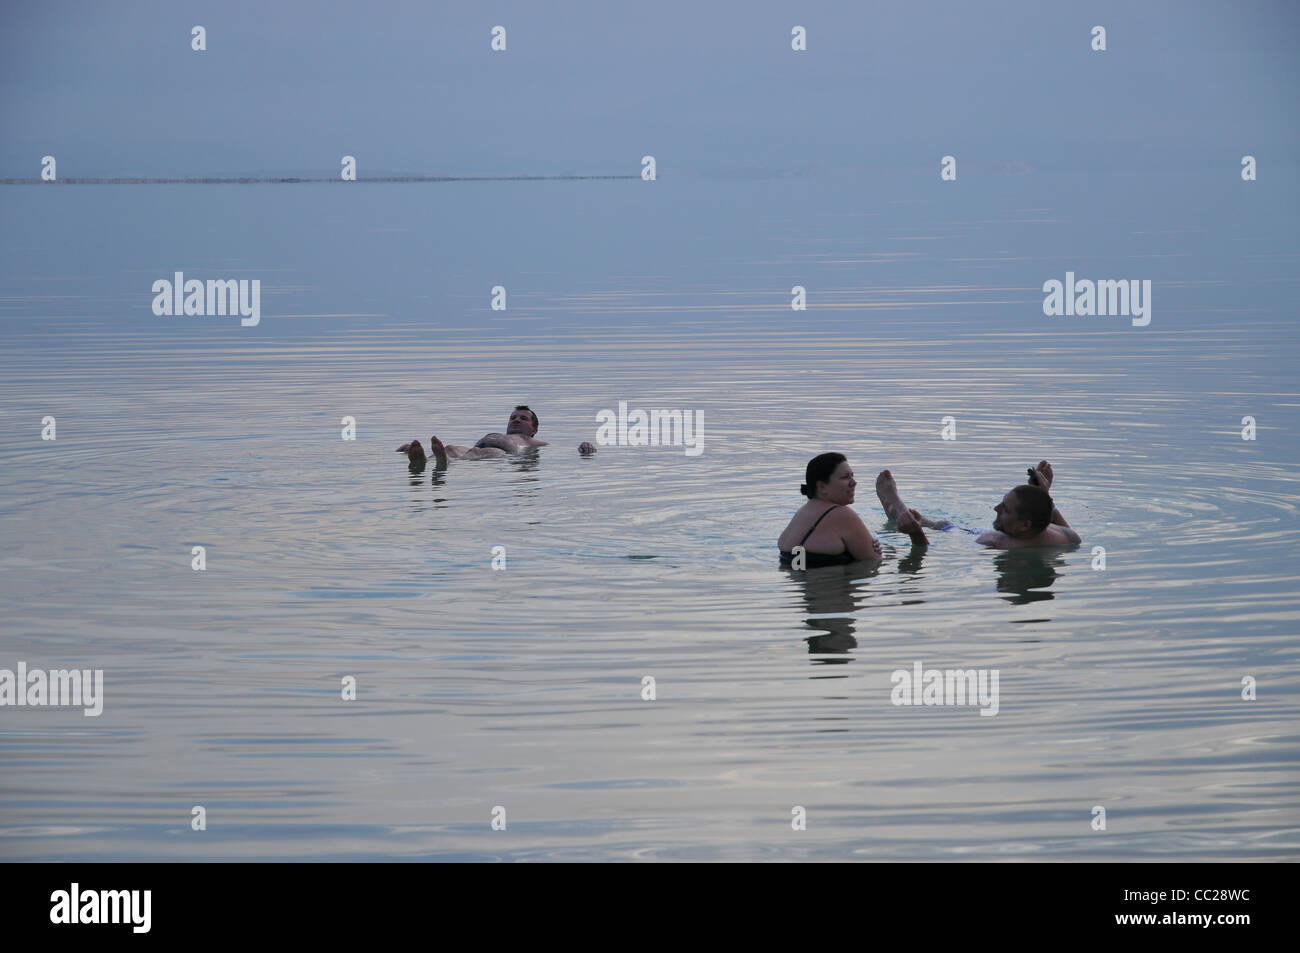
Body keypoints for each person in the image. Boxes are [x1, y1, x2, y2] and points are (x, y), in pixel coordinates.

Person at [874, 461, 1081, 550]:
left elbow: (926, 553)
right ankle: (906, 516)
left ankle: (900, 512)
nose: (996, 508)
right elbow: (1066, 530)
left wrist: (915, 534)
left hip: (972, 538)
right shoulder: (1067, 538)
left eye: (1005, 509)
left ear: (1025, 526)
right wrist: (1043, 496)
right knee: (946, 524)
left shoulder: (997, 543)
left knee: (948, 526)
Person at [778, 453, 884, 568]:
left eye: (852, 476)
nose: (854, 483)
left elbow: (799, 565)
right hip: (831, 583)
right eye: (845, 477)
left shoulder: (802, 513)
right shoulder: (843, 515)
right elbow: (874, 563)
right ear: (822, 487)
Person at [397, 405, 597, 465]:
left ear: (534, 429)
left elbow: (561, 449)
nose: (517, 420)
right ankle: (428, 459)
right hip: (474, 448)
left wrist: (584, 446)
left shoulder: (534, 442)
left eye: (523, 419)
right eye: (513, 418)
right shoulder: (501, 433)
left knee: (477, 453)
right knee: (450, 447)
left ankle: (442, 462)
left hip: (500, 453)